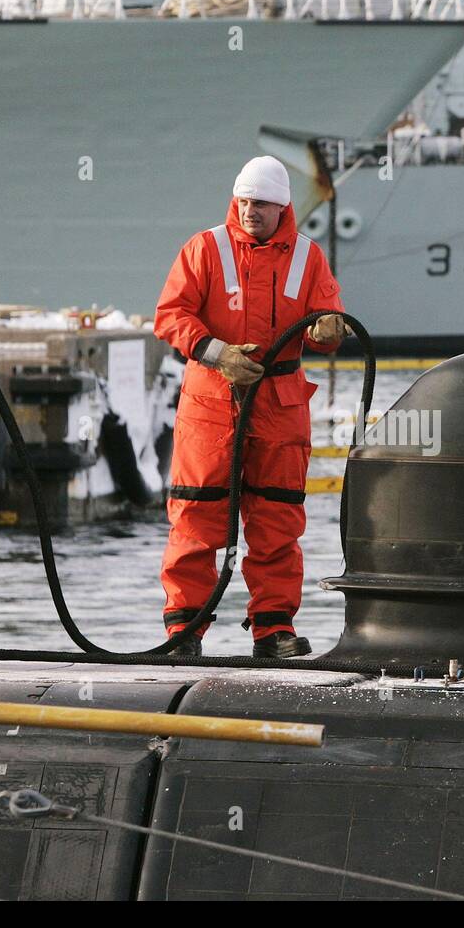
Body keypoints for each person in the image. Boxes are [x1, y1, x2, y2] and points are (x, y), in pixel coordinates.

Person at [154, 156, 345, 659]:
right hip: (212, 402)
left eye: (259, 203)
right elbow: (170, 315)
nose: (249, 210)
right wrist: (216, 352)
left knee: (277, 520)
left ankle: (274, 630)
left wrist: (329, 327)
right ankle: (184, 632)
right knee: (196, 515)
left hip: (278, 405)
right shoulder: (206, 249)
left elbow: (328, 313)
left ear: (282, 206)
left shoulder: (307, 258)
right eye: (243, 200)